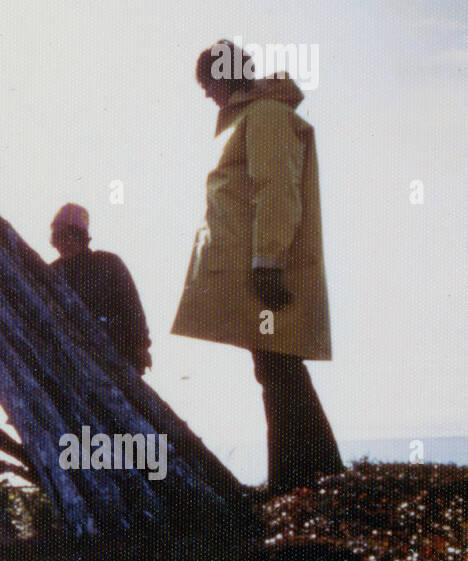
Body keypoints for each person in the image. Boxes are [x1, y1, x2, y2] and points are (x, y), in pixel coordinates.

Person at [172, 40, 344, 494]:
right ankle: (315, 475)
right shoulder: (255, 116)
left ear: (225, 78)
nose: (207, 95)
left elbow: (278, 189)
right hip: (257, 270)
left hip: (264, 271)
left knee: (278, 370)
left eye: (208, 84)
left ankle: (300, 481)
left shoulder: (264, 114)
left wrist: (268, 262)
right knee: (276, 368)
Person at [49, 203, 152, 374]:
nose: (62, 243)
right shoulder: (51, 273)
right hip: (74, 362)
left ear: (81, 237)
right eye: (57, 238)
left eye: (68, 237)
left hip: (118, 356)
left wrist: (141, 346)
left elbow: (132, 307)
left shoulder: (108, 263)